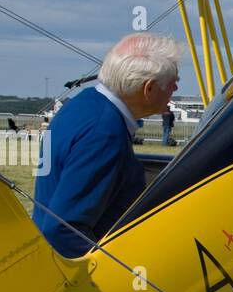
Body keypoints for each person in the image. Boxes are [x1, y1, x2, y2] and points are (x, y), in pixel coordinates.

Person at [32, 33, 179, 257]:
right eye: (172, 82)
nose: (175, 89)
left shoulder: (84, 103)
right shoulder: (105, 132)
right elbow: (63, 230)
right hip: (76, 280)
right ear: (148, 89)